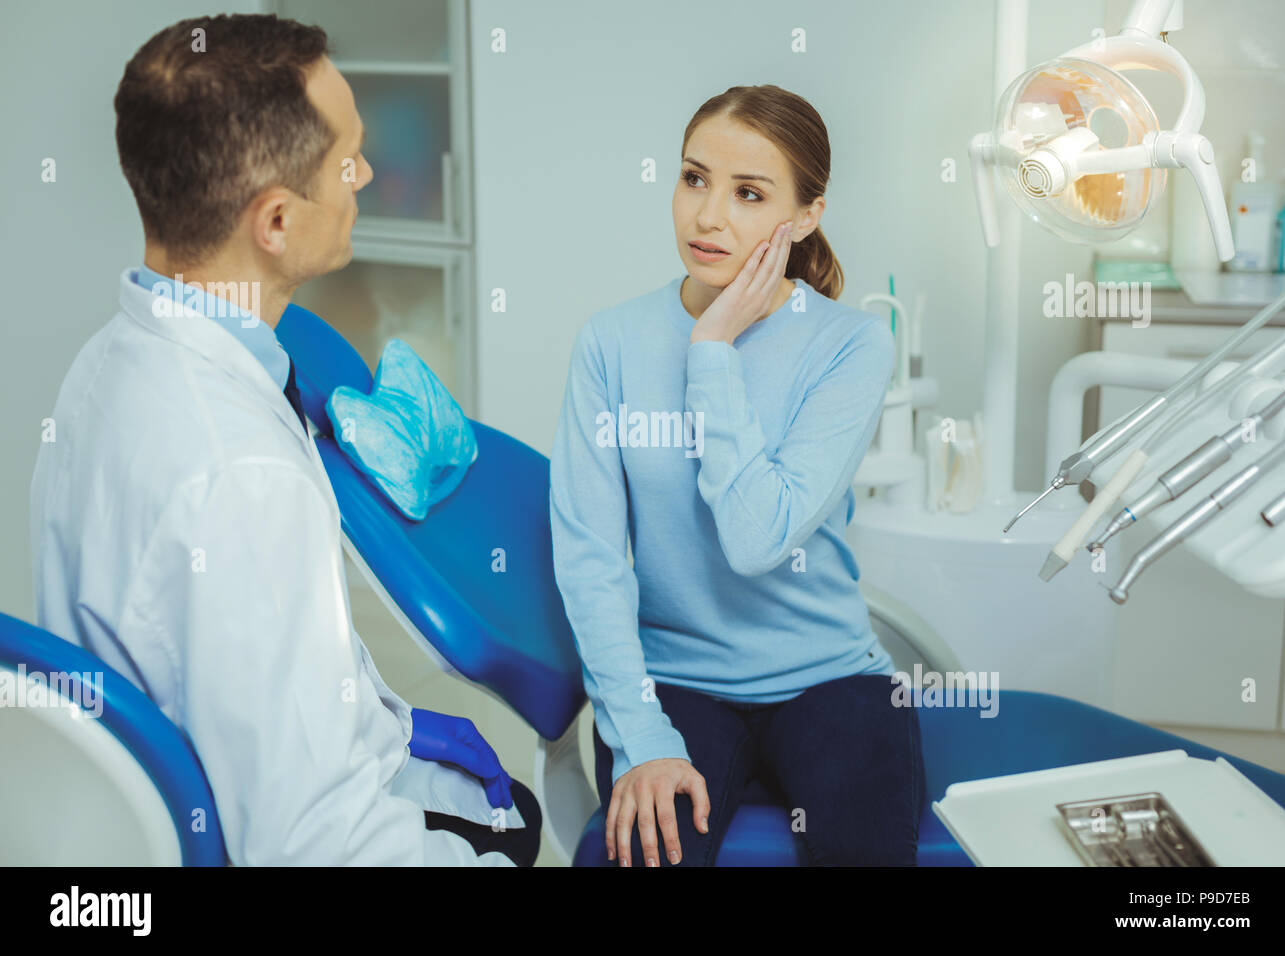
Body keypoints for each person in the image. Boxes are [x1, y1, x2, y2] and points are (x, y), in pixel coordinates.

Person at [30, 13, 539, 866]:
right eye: (348, 160)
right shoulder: (243, 478)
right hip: (265, 828)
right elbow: (316, 847)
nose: (368, 174)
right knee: (514, 828)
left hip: (167, 798)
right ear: (274, 221)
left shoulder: (105, 361)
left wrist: (387, 723)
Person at [549, 85, 925, 866]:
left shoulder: (851, 348)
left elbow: (757, 539)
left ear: (807, 215)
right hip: (673, 682)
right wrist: (643, 735)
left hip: (828, 680)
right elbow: (590, 561)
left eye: (748, 194)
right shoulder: (610, 344)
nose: (708, 215)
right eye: (694, 179)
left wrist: (711, 347)